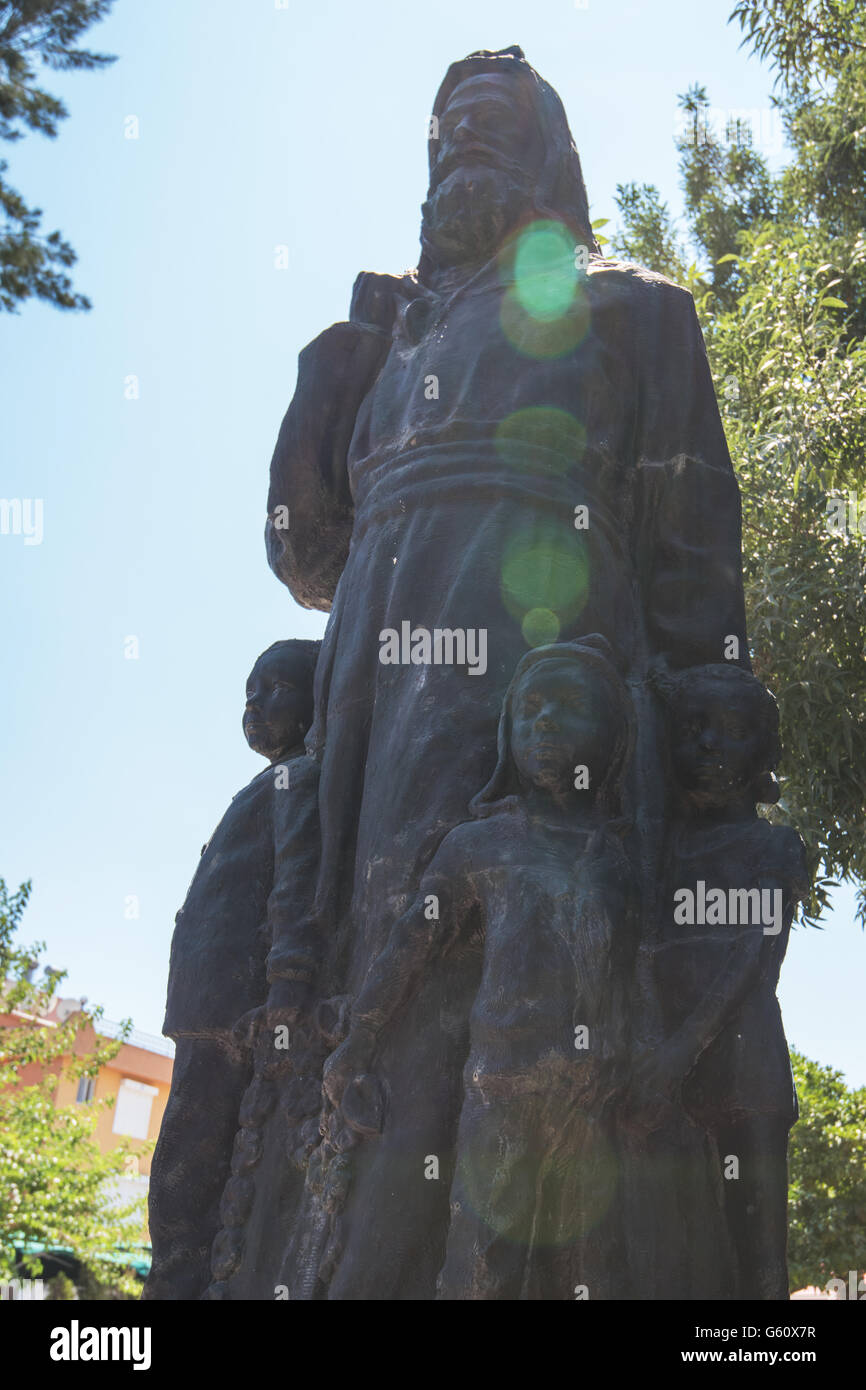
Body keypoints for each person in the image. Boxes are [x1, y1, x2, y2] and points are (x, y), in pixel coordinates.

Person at [264, 46, 752, 1297]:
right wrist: (343, 356)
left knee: (490, 992)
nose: (458, 145)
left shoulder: (634, 304)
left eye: (490, 125)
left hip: (541, 671)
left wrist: (709, 735)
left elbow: (692, 551)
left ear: (549, 156)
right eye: (444, 132)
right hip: (368, 697)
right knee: (352, 974)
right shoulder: (385, 342)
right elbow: (302, 557)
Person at [322, 637, 638, 1300]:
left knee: (590, 1274)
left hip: (599, 1096)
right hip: (505, 1090)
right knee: (484, 1270)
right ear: (507, 734)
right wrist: (359, 1040)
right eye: (529, 708)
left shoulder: (622, 861)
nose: (544, 721)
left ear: (612, 737)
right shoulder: (480, 843)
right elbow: (410, 944)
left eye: (569, 706)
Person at [143, 639, 319, 1300]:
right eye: (250, 688)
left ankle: (179, 1288)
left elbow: (298, 881)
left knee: (186, 1173)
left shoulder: (298, 778)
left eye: (274, 686)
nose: (254, 702)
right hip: (204, 1007)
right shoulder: (271, 781)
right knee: (183, 1168)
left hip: (229, 1012)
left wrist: (289, 980)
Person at [634, 663, 808, 1298]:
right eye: (692, 727)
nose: (709, 744)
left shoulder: (775, 847)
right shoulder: (658, 846)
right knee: (671, 1250)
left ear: (762, 750)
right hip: (655, 1064)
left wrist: (677, 1052)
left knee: (756, 1259)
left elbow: (751, 963)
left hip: (743, 1070)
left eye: (733, 730)